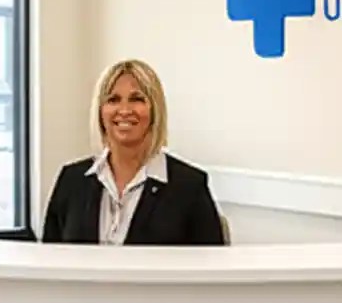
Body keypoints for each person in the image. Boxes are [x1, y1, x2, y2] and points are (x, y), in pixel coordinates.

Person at [42, 59, 225, 246]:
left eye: (137, 99)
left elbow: (211, 262)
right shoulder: (71, 180)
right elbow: (49, 257)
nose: (124, 110)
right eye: (113, 100)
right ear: (100, 111)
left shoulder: (190, 187)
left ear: (155, 110)